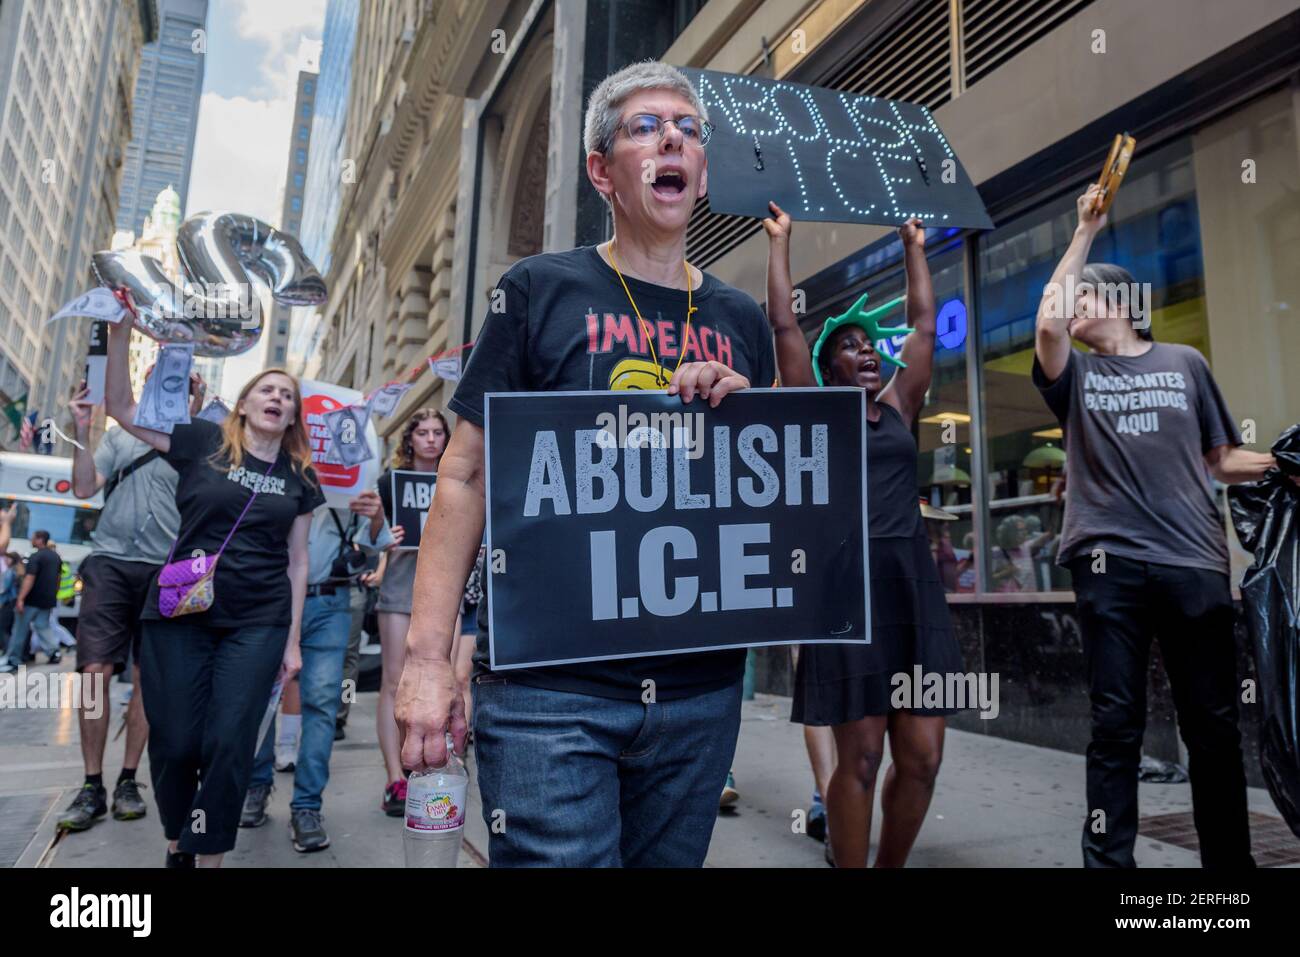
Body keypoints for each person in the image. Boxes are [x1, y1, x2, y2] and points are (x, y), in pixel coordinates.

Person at [396, 60, 774, 867]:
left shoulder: (742, 319)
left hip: (700, 698)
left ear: (700, 171)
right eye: (646, 126)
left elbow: (767, 492)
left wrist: (743, 415)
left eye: (688, 128)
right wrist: (429, 661)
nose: (672, 136)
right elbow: (463, 476)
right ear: (603, 170)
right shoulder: (539, 290)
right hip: (547, 694)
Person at [1033, 183, 1290, 869]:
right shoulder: (1075, 377)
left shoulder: (1187, 364)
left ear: (1116, 301)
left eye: (1084, 294)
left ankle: (1228, 879)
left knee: (1212, 727)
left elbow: (1222, 459)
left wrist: (1282, 464)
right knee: (1115, 725)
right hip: (1107, 564)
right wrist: (1084, 228)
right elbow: (1048, 325)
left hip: (1195, 563)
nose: (1072, 307)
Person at [768, 201, 964, 868]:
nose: (866, 352)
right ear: (828, 370)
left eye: (867, 344)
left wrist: (915, 243)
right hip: (846, 595)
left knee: (923, 755)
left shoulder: (901, 407)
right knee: (862, 753)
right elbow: (785, 324)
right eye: (849, 345)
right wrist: (779, 244)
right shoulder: (817, 413)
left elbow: (924, 324)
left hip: (912, 591)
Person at [103, 308, 323, 868]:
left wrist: (293, 642)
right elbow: (124, 410)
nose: (277, 398)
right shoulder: (202, 441)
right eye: (266, 390)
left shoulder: (299, 477)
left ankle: (206, 857)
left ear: (293, 414)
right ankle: (180, 839)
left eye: (287, 395)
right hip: (179, 612)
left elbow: (298, 563)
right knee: (176, 742)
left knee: (229, 744)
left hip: (258, 621)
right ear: (245, 402)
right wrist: (119, 333)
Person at [57, 372, 205, 831]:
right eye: (165, 382)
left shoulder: (198, 444)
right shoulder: (120, 437)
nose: (175, 391)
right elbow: (84, 488)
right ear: (145, 387)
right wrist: (82, 430)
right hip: (110, 562)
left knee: (148, 678)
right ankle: (91, 784)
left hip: (169, 569)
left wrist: (196, 416)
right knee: (93, 673)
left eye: (185, 386)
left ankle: (126, 779)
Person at [241, 490, 392, 850]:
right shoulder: (277, 474)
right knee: (259, 697)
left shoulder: (349, 483)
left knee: (324, 703)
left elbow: (377, 545)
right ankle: (257, 785)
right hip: (270, 599)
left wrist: (374, 516)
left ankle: (307, 806)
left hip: (328, 604)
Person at [373, 408, 450, 815]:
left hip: (443, 594)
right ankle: (395, 778)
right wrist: (383, 538)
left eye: (439, 432)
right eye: (423, 432)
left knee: (443, 680)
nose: (431, 439)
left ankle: (433, 769)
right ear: (410, 439)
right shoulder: (389, 483)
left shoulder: (458, 480)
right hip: (400, 588)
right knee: (393, 682)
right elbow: (369, 540)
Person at [2, 530, 63, 671]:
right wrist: (54, 594)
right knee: (43, 626)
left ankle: (13, 659)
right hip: (47, 600)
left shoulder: (36, 557)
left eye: (33, 538)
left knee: (19, 629)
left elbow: (29, 578)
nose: (31, 540)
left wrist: (21, 599)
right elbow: (58, 578)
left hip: (32, 599)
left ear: (40, 540)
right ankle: (54, 652)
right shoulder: (55, 557)